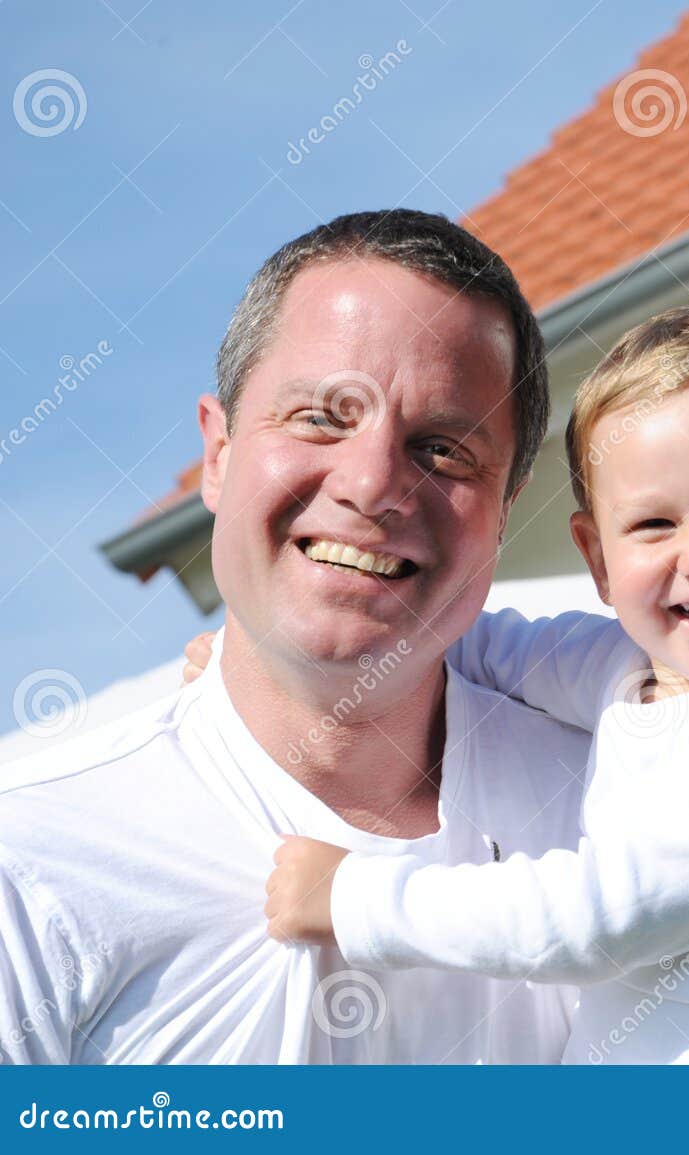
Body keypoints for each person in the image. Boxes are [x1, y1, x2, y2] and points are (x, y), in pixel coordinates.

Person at [247, 304, 689, 1063]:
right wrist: (285, 654)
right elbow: (481, 645)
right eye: (655, 524)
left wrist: (355, 898)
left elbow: (597, 915)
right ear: (598, 560)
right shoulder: (633, 667)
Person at [0, 210, 592, 1063]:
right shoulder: (36, 869)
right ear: (217, 453)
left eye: (443, 448)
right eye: (321, 416)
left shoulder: (632, 815)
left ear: (505, 511)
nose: (373, 482)